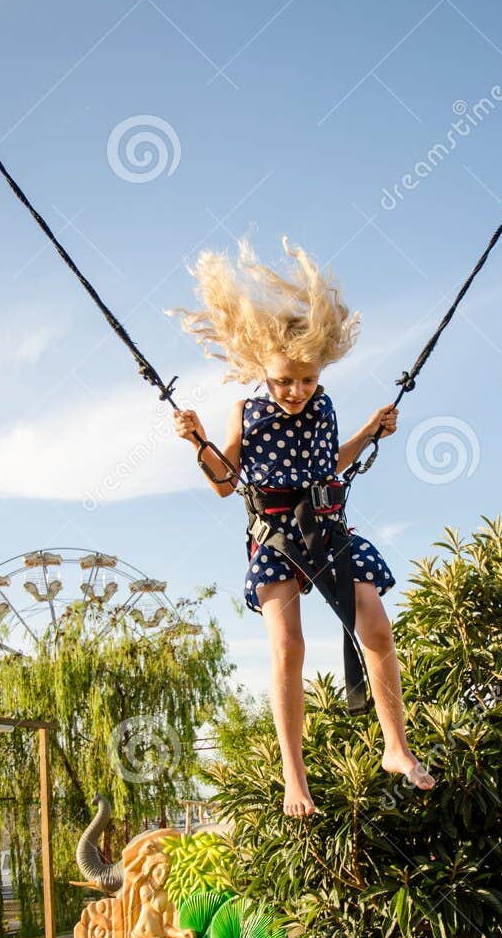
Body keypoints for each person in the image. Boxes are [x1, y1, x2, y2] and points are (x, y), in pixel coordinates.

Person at [170, 235, 435, 818]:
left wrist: (369, 431)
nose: (296, 391)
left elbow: (328, 463)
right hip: (277, 537)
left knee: (377, 626)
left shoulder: (325, 405)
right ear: (264, 370)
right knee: (288, 645)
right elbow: (223, 480)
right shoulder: (248, 410)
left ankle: (396, 746)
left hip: (330, 530)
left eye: (307, 380)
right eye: (285, 381)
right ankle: (297, 778)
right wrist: (199, 443)